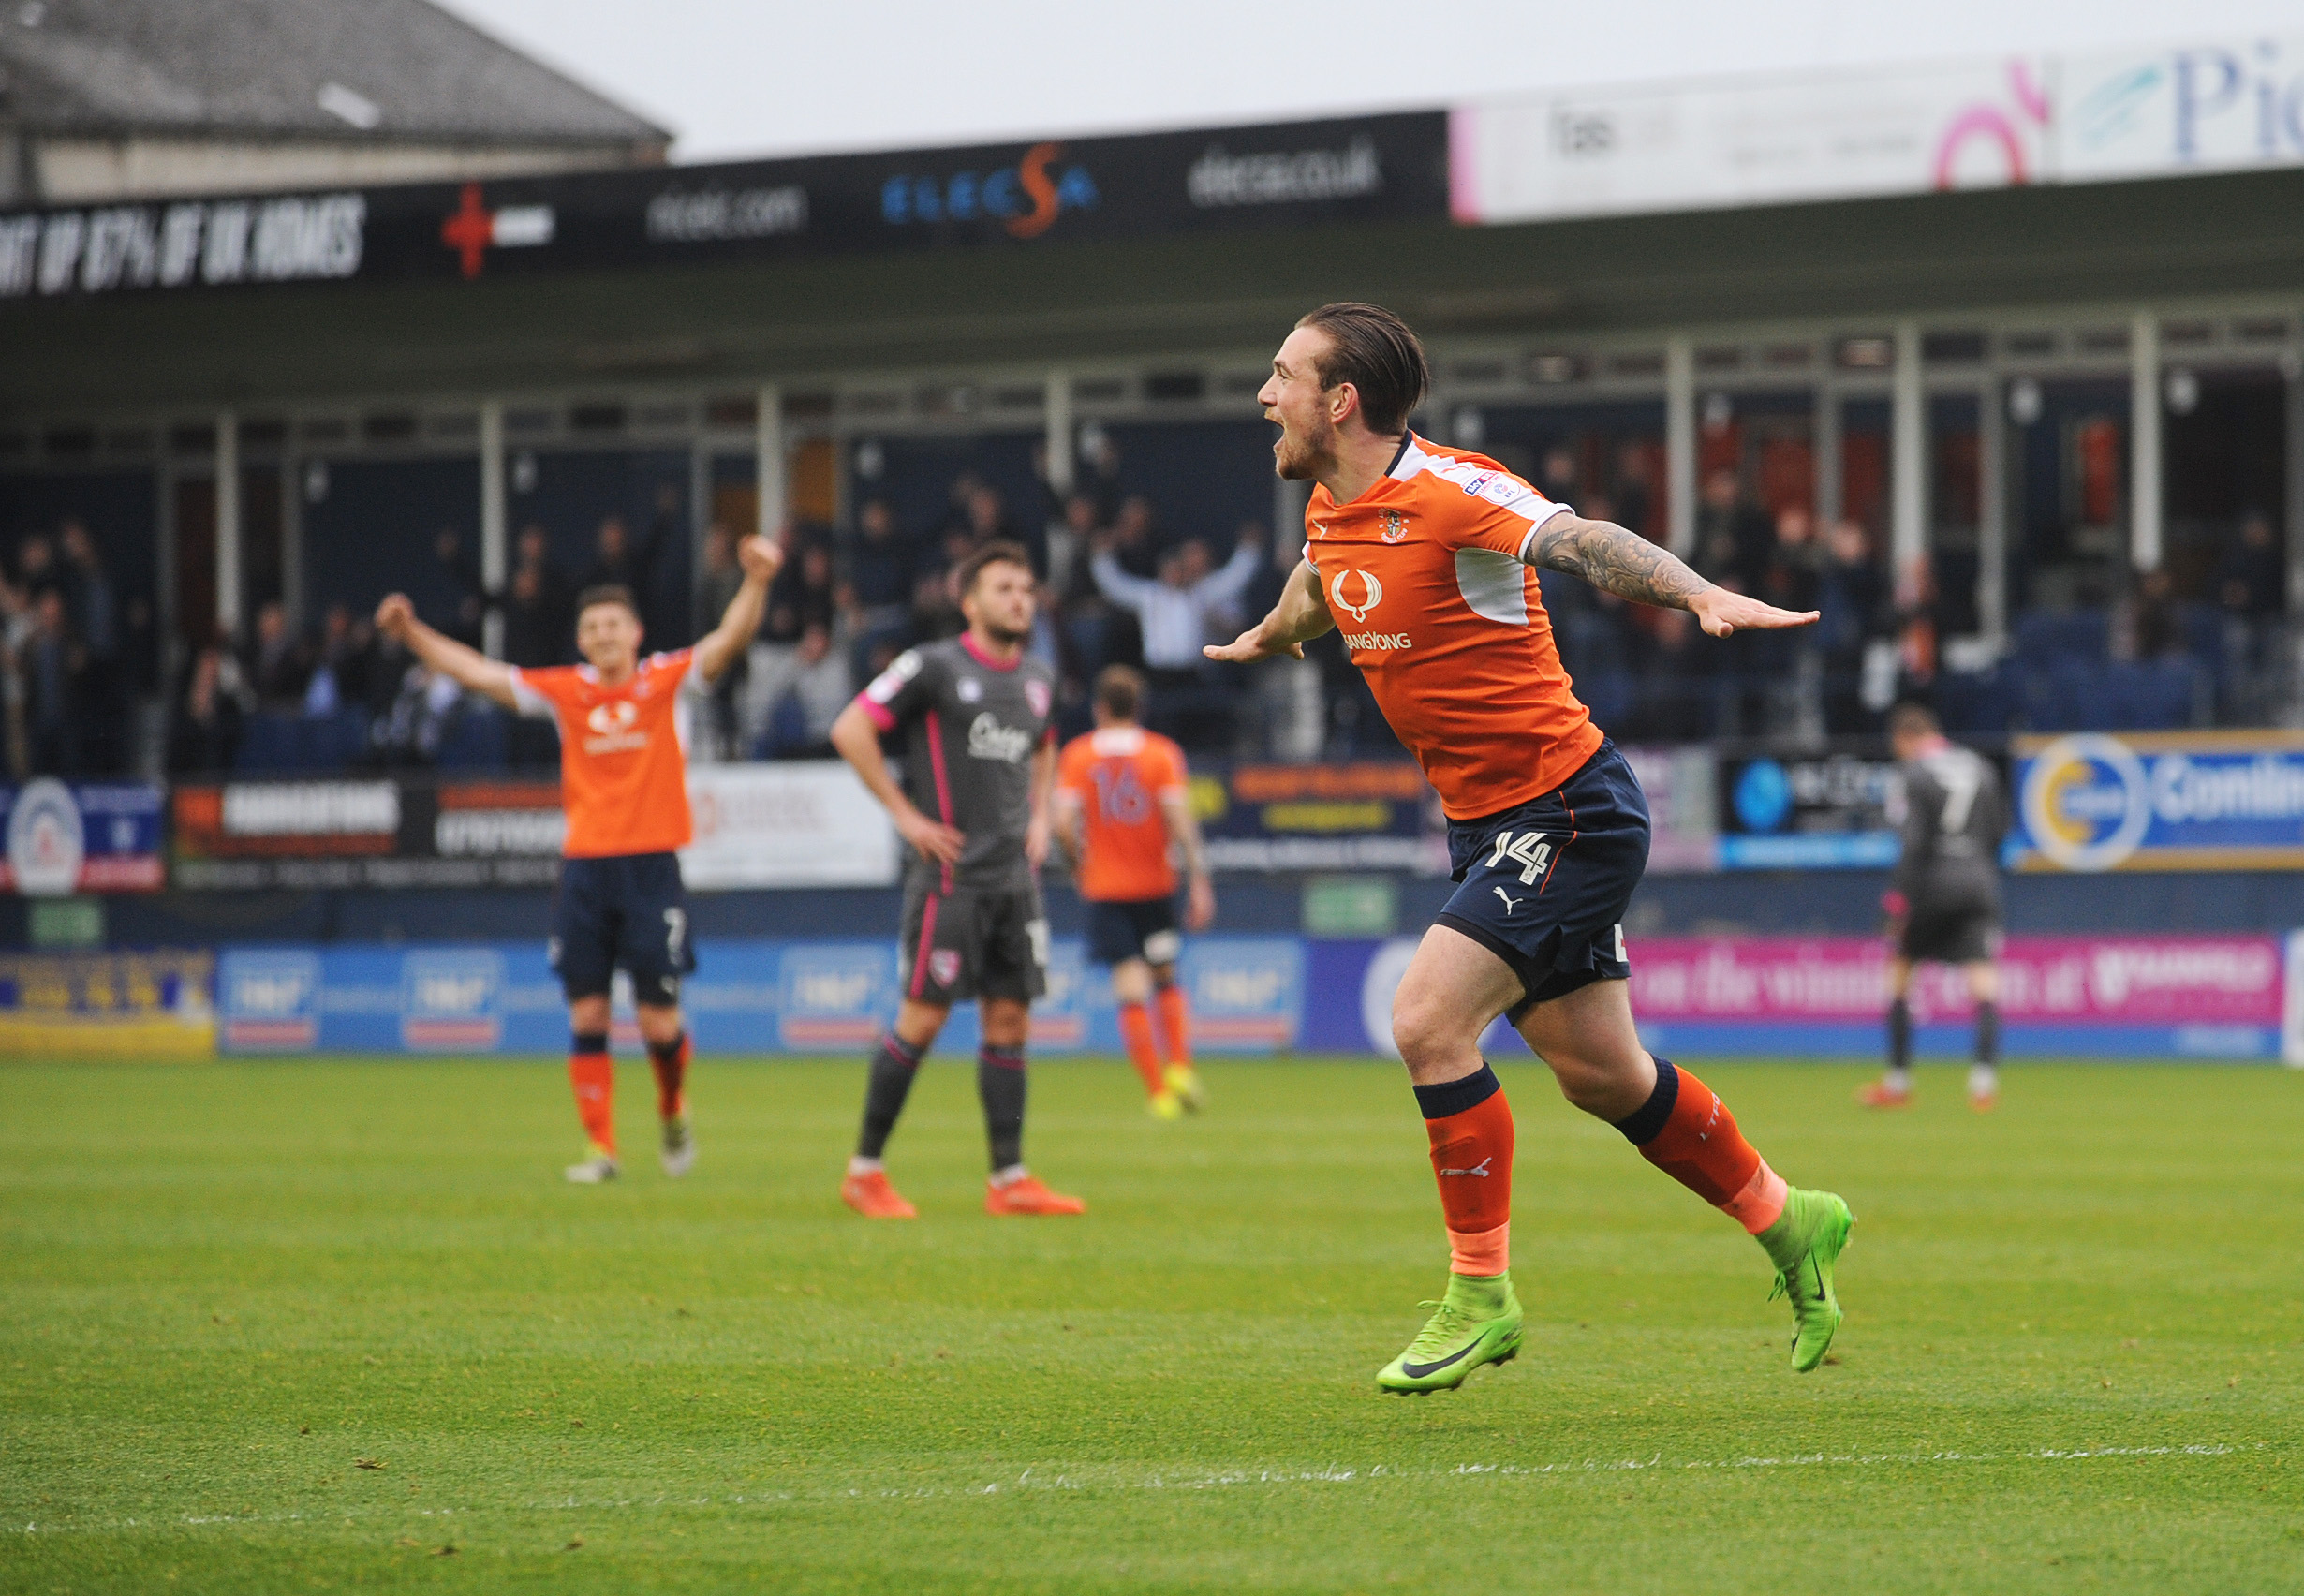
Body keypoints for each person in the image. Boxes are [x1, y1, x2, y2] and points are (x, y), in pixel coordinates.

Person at [1207, 302, 1850, 1392]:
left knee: (1425, 1021)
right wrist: (1274, 632)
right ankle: (1795, 1224)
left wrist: (1697, 592)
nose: (1265, 395)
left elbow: (1578, 541)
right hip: (1488, 823)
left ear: (1340, 399)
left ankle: (1480, 1292)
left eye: (1282, 375)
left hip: (1566, 810)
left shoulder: (1453, 489)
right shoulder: (1329, 506)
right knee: (1604, 1076)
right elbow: (1328, 584)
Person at [373, 534, 780, 1183]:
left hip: (651, 867)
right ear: (582, 640)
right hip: (585, 868)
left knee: (657, 1020)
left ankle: (673, 1107)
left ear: (636, 631)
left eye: (614, 623)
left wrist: (756, 582)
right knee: (588, 1012)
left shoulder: (666, 681)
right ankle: (601, 1150)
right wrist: (412, 630)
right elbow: (479, 673)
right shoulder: (566, 692)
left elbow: (728, 641)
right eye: (592, 626)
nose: (604, 633)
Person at [828, 540, 1081, 1220]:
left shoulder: (1037, 676)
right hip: (950, 881)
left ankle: (1009, 1179)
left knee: (1010, 1019)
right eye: (1003, 588)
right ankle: (865, 1172)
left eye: (1025, 588)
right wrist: (907, 817)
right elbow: (851, 727)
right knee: (923, 1018)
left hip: (1013, 881)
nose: (1019, 599)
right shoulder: (932, 666)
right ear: (969, 603)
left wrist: (1041, 813)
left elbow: (1046, 743)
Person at [1055, 665, 1215, 1119]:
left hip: (1106, 890)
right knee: (1165, 974)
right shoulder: (1162, 754)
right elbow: (1180, 822)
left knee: (1130, 987)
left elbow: (1062, 824)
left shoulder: (1078, 755)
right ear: (1138, 707)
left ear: (1099, 707)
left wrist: (1076, 862)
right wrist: (1200, 880)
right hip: (1156, 888)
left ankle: (1158, 1094)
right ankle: (1181, 1065)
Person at [1863, 702, 2008, 1112]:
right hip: (1978, 883)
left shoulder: (1913, 773)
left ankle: (1898, 1081)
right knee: (1984, 984)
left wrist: (1896, 902)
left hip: (1929, 886)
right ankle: (1983, 1084)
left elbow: (1913, 842)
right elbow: (1999, 832)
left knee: (1900, 977)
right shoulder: (1982, 767)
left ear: (1905, 739)